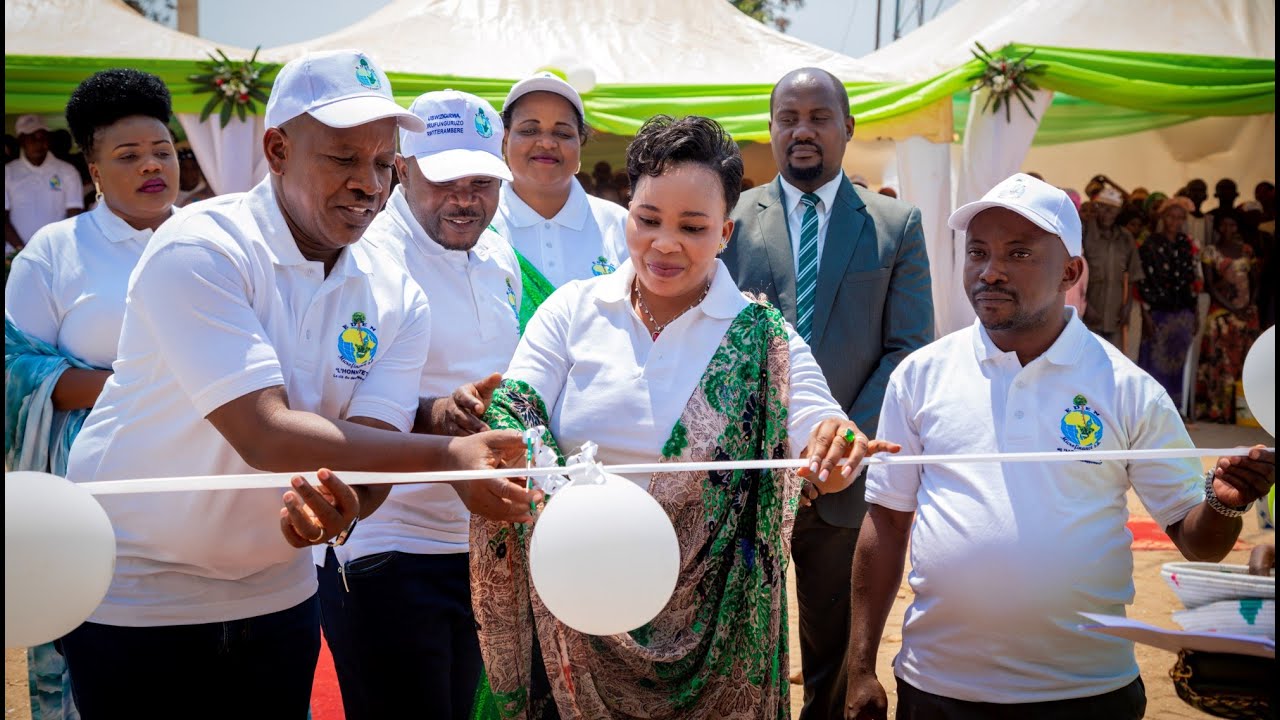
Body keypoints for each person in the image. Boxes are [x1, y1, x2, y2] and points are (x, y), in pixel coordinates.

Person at [57, 50, 531, 719]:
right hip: (138, 593)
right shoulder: (203, 247)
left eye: (381, 163)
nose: (367, 184)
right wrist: (449, 455)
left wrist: (340, 509)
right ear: (277, 150)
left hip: (277, 596)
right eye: (343, 158)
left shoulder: (396, 294)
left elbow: (370, 453)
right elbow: (265, 433)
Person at [469, 114, 896, 719]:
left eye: (692, 227)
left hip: (718, 652)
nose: (665, 244)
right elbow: (515, 413)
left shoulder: (763, 339)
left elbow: (821, 428)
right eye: (648, 220)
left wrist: (836, 447)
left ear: (725, 232)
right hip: (575, 622)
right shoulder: (572, 312)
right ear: (627, 214)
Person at [845, 172, 1276, 720]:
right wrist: (860, 667)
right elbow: (886, 521)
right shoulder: (919, 376)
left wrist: (1224, 502)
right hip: (938, 687)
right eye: (977, 252)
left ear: (1070, 272)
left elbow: (1201, 544)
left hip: (1087, 693)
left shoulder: (1127, 388)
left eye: (1019, 253)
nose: (990, 270)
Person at [720, 67, 933, 719]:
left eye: (818, 117)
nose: (802, 130)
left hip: (845, 480)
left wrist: (836, 446)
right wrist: (776, 448)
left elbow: (906, 348)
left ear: (848, 127)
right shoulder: (728, 222)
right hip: (748, 474)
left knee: (835, 665)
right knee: (734, 653)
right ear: (770, 129)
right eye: (788, 118)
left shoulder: (895, 225)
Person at [318, 89, 522, 720]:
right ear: (402, 171)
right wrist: (437, 414)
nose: (465, 200)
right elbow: (333, 405)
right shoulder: (363, 262)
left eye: (482, 182)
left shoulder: (499, 254)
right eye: (444, 181)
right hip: (387, 545)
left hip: (485, 547)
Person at [4, 67, 180, 720]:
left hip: (205, 495)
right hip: (98, 505)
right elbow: (13, 370)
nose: (151, 165)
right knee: (109, 669)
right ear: (94, 170)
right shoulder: (56, 251)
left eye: (162, 150)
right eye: (128, 155)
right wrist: (147, 389)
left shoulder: (219, 238)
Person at [491, 72, 629, 328]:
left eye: (563, 133)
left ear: (580, 144)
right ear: (505, 139)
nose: (546, 143)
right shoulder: (479, 227)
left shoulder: (621, 225)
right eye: (529, 130)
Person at [1136, 196, 1200, 410]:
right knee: (1154, 363)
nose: (1175, 221)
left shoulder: (1186, 244)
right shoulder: (1150, 243)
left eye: (1180, 218)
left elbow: (1192, 279)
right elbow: (1142, 281)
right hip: (1158, 312)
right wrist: (1146, 315)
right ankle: (1150, 410)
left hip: (1182, 313)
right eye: (1171, 217)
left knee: (1176, 363)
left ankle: (1174, 409)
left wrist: (1196, 313)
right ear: (1163, 217)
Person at [1195, 213, 1260, 422]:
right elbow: (1210, 286)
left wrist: (1249, 306)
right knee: (1221, 361)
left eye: (1232, 224)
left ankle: (1242, 412)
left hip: (1247, 312)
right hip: (1221, 313)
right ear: (1218, 227)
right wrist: (1232, 308)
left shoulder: (1247, 250)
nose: (1227, 229)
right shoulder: (1210, 251)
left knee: (1246, 360)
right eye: (1223, 224)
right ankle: (1218, 409)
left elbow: (1255, 281)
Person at [5, 115, 84, 255]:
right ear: (21, 140)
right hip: (16, 255)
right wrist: (22, 251)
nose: (39, 143)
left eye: (43, 137)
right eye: (32, 137)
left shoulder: (67, 171)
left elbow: (74, 215)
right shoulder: (8, 172)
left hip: (56, 254)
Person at [1081, 186, 1142, 347]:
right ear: (1097, 208)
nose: (1108, 213)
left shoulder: (1126, 238)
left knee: (1112, 357)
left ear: (1119, 212)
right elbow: (1077, 274)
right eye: (1103, 207)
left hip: (1115, 315)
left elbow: (1132, 276)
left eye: (1113, 209)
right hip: (1088, 313)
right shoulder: (1085, 233)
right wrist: (1085, 306)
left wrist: (1127, 307)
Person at [174, 141, 215, 206]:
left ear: (199, 168)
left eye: (193, 167)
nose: (189, 173)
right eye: (184, 168)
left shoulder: (212, 191)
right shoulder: (172, 197)